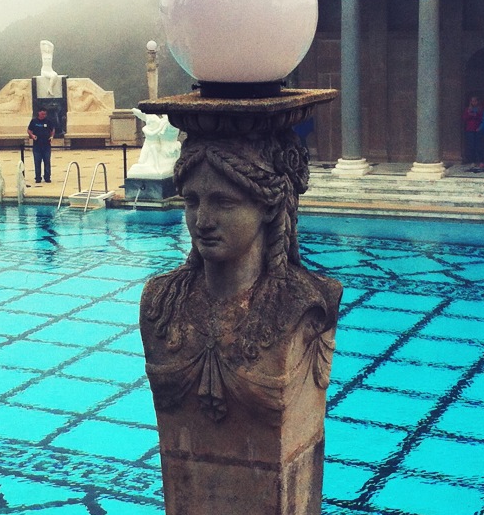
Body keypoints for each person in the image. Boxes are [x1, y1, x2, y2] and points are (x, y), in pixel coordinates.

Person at [141, 134, 341, 426]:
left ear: (269, 207)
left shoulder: (306, 303)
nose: (203, 221)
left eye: (224, 202)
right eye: (192, 201)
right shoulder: (159, 302)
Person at [26, 107, 55, 184]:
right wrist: (32, 135)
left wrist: (51, 136)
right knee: (37, 162)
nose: (43, 115)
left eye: (45, 114)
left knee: (47, 161)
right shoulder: (34, 121)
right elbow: (29, 130)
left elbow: (52, 130)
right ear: (39, 113)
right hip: (37, 145)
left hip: (46, 145)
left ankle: (47, 177)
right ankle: (38, 177)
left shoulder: (48, 121)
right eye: (42, 114)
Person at [462, 96, 483, 170]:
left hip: (478, 130)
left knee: (479, 146)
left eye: (475, 101)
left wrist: (475, 115)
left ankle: (481, 161)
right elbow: (465, 118)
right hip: (470, 129)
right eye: (472, 101)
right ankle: (473, 161)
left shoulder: (480, 109)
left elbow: (482, 118)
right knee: (471, 146)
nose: (474, 103)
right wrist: (470, 115)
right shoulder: (467, 109)